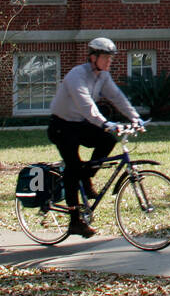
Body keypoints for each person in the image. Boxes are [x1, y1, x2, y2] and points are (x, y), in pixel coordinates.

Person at [47, 37, 141, 238]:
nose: (109, 62)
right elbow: (86, 105)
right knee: (73, 168)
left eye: (111, 58)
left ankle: (87, 176)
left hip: (80, 124)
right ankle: (75, 222)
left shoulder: (103, 77)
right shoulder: (76, 75)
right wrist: (106, 123)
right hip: (61, 126)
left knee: (107, 140)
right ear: (93, 57)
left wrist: (135, 117)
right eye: (106, 57)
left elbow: (117, 97)